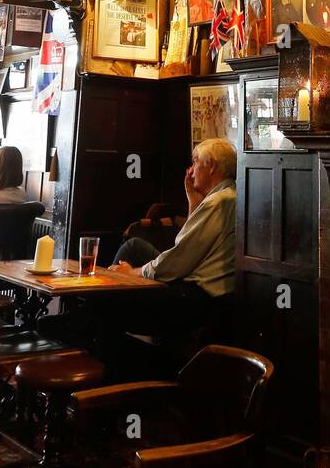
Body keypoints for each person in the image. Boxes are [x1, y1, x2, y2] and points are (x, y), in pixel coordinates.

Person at [101, 137, 237, 350]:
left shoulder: (218, 201)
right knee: (134, 246)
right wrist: (193, 201)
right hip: (192, 284)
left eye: (195, 162)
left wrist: (134, 273)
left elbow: (180, 258)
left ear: (211, 166)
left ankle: (108, 349)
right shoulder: (223, 195)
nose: (190, 170)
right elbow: (185, 242)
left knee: (105, 302)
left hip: (194, 297)